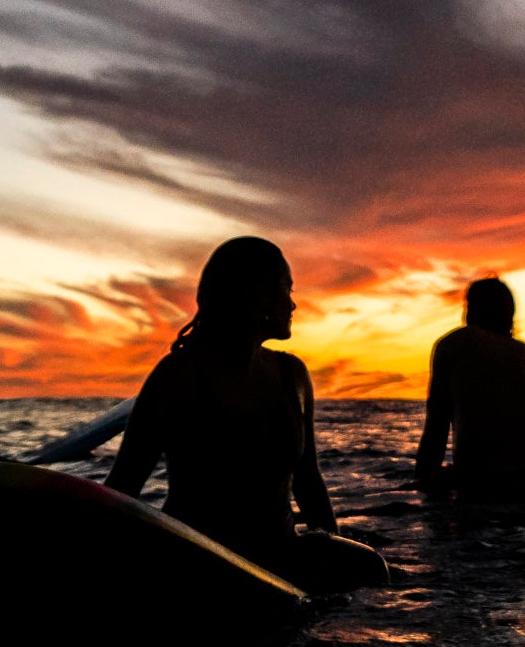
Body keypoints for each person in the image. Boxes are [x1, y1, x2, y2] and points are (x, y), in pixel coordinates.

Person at [106, 237, 359, 587]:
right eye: (286, 289)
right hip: (201, 566)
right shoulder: (179, 375)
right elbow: (123, 489)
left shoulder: (293, 376)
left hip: (279, 565)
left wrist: (332, 556)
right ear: (258, 296)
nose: (294, 304)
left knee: (372, 569)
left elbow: (309, 482)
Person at [416, 277, 525, 495]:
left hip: (481, 477)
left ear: (471, 310)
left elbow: (436, 428)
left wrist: (422, 484)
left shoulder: (454, 344)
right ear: (510, 314)